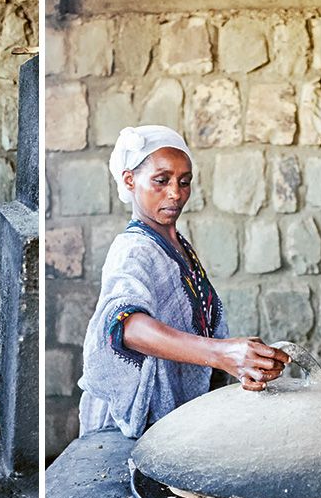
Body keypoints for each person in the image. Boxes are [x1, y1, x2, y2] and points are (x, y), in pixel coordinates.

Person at [78, 125, 289, 437]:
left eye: (184, 182)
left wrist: (239, 356)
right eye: (161, 181)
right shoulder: (134, 249)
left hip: (172, 419)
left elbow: (192, 328)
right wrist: (220, 354)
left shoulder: (177, 246)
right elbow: (125, 325)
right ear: (130, 180)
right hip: (126, 430)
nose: (175, 193)